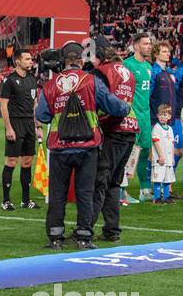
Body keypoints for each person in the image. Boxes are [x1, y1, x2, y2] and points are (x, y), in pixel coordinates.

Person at [34, 41, 129, 248]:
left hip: (59, 147)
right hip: (88, 145)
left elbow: (41, 115)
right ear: (80, 59)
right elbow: (114, 106)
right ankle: (84, 237)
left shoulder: (51, 85)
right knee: (85, 192)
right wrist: (126, 107)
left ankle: (55, 237)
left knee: (57, 194)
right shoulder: (91, 80)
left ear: (63, 60)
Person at [93, 40, 139, 241]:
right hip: (130, 127)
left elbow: (102, 100)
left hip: (113, 128)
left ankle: (85, 229)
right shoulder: (126, 71)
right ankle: (111, 230)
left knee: (99, 181)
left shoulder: (103, 71)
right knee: (113, 182)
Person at [0, 49, 39, 211]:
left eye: (31, 59)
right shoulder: (9, 81)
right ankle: (6, 200)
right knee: (11, 161)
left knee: (27, 161)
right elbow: (3, 105)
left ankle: (26, 200)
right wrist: (8, 127)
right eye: (27, 59)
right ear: (18, 62)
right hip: (15, 124)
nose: (31, 61)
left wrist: (38, 126)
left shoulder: (32, 80)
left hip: (29, 124)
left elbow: (35, 105)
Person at [122, 33, 154, 202]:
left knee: (144, 152)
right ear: (136, 46)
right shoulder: (127, 65)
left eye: (150, 44)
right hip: (132, 116)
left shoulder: (149, 67)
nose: (149, 46)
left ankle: (145, 189)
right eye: (145, 44)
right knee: (128, 154)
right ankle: (122, 190)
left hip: (146, 116)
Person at [149, 105, 176, 204]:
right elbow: (156, 142)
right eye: (160, 115)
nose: (162, 117)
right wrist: (160, 156)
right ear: (157, 115)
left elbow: (172, 143)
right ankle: (156, 198)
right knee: (158, 179)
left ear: (169, 117)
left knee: (167, 179)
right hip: (160, 159)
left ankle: (166, 197)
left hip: (168, 159)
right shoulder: (156, 128)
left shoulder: (170, 129)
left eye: (165, 115)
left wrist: (172, 157)